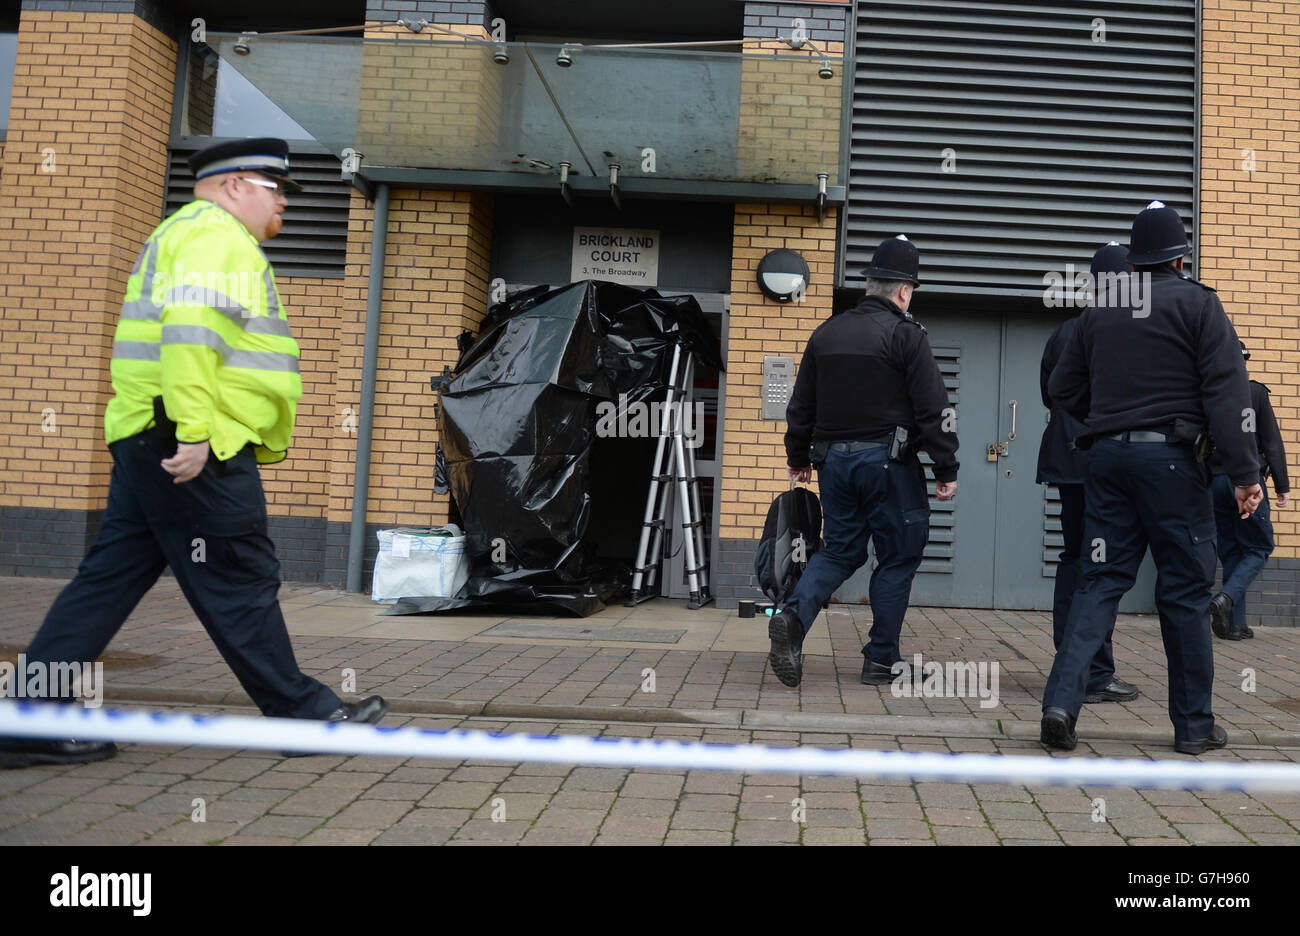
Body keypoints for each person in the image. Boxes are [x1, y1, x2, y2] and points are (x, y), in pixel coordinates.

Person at [0, 139, 387, 769]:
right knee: (238, 575)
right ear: (235, 184)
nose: (284, 203)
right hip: (190, 442)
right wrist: (195, 431)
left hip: (148, 432)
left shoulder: (179, 231)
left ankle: (26, 720)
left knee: (109, 576)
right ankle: (305, 717)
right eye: (275, 188)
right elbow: (190, 336)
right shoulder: (220, 236)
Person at [1041, 201, 1263, 756]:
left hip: (1108, 465)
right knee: (1186, 593)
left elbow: (1062, 392)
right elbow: (1228, 395)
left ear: (1136, 260)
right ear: (1181, 256)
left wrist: (1113, 415)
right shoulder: (1200, 305)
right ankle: (1193, 729)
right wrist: (1244, 473)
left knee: (1098, 583)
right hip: (1173, 466)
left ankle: (1061, 705)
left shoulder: (1100, 313)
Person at [768, 235, 958, 688]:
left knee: (839, 549)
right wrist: (947, 466)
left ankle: (793, 619)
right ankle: (881, 661)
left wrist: (798, 458)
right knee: (896, 557)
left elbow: (800, 406)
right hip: (888, 465)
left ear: (869, 284)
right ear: (904, 291)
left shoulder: (826, 332)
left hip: (833, 464)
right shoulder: (906, 335)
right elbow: (935, 409)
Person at [1036, 242, 1139, 704]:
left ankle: (1070, 662)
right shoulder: (1126, 331)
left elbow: (1050, 393)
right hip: (1104, 460)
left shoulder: (1064, 332)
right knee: (1101, 567)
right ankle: (1095, 673)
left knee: (1074, 558)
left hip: (1065, 459)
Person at [1208, 341, 1289, 639]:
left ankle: (1234, 625)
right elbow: (1271, 443)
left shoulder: (1210, 394)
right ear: (1245, 362)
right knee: (1258, 547)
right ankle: (1226, 598)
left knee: (1231, 551)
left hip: (1216, 482)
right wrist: (1282, 485)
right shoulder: (1255, 393)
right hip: (1247, 482)